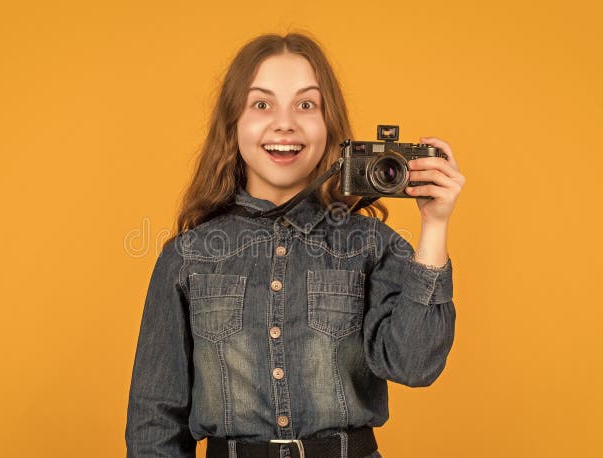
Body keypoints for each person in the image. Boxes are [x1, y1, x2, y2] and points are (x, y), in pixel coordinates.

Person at [125, 32, 465, 458]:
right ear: (234, 123)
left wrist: (435, 225)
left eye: (306, 104)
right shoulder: (187, 256)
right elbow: (154, 420)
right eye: (261, 103)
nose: (284, 123)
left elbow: (416, 365)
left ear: (329, 125)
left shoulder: (370, 246)